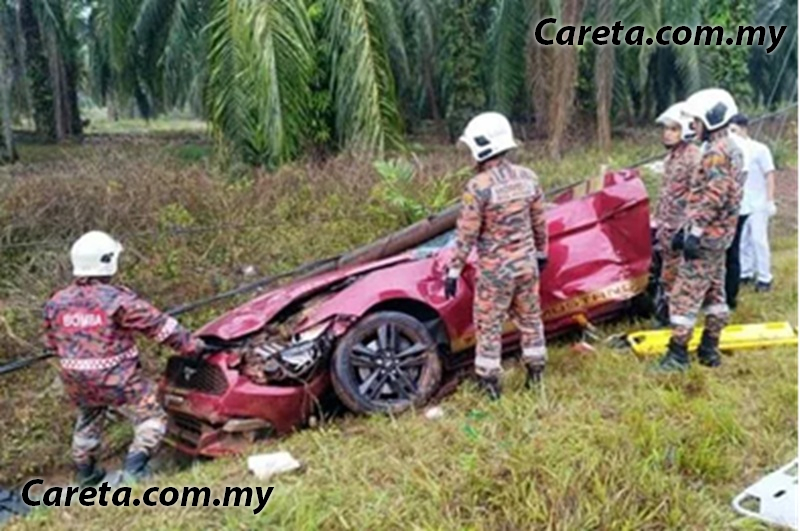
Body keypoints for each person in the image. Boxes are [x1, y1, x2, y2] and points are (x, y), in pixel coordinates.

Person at [42, 231, 207, 485]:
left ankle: (86, 475)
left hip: (78, 381)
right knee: (152, 417)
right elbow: (160, 326)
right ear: (107, 261)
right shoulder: (117, 300)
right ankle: (134, 473)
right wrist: (192, 346)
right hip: (119, 381)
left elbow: (50, 343)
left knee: (88, 420)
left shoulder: (56, 302)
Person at [444, 112, 548, 400]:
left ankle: (490, 385)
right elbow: (540, 222)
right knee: (531, 320)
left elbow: (466, 234)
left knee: (488, 326)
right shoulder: (529, 178)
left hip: (495, 272)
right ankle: (536, 378)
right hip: (527, 265)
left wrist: (454, 270)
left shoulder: (478, 187)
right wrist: (541, 253)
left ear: (482, 146)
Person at [655, 88, 745, 372]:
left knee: (685, 294)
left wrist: (694, 231)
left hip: (706, 237)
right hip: (721, 237)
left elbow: (714, 195)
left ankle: (678, 355)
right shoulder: (732, 148)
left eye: (695, 121)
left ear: (711, 118)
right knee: (715, 294)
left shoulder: (715, 153)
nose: (692, 126)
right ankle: (710, 348)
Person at [652, 101, 700, 327]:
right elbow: (666, 193)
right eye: (666, 129)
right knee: (666, 271)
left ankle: (676, 318)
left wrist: (690, 229)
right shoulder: (671, 158)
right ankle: (667, 312)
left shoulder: (693, 157)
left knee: (678, 274)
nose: (668, 134)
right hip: (666, 226)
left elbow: (697, 194)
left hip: (681, 228)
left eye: (674, 129)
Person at [730, 113, 777, 292]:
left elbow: (769, 175)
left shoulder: (759, 149)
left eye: (734, 130)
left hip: (758, 202)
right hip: (741, 203)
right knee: (742, 241)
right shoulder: (731, 151)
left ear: (744, 128)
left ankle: (765, 277)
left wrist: (770, 200)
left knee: (758, 240)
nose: (731, 134)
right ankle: (746, 273)